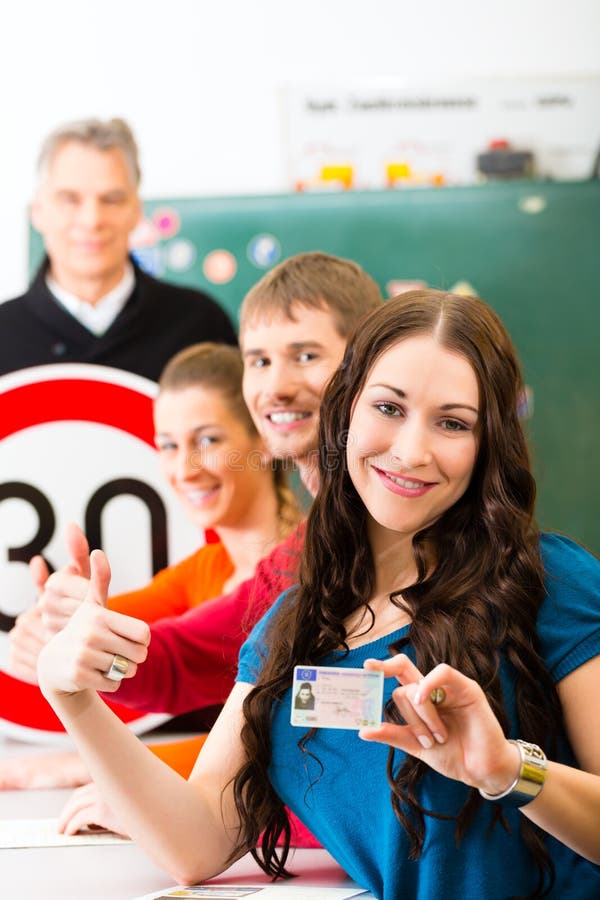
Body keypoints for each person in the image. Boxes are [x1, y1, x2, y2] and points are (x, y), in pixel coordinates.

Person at [36, 290, 600, 899]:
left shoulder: (549, 581)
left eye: (453, 422)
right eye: (389, 407)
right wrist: (72, 697)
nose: (412, 450)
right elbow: (195, 841)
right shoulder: (293, 622)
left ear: (488, 445)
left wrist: (509, 771)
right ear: (345, 412)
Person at [3, 341, 300, 787]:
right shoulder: (207, 568)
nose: (185, 468)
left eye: (207, 440)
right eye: (168, 445)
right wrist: (59, 620)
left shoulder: (305, 565)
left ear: (263, 439)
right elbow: (130, 628)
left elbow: (274, 740)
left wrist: (86, 767)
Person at [0, 117, 236, 381]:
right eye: (70, 200)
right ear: (38, 211)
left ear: (136, 211)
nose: (92, 220)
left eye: (111, 200)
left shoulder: (199, 324)